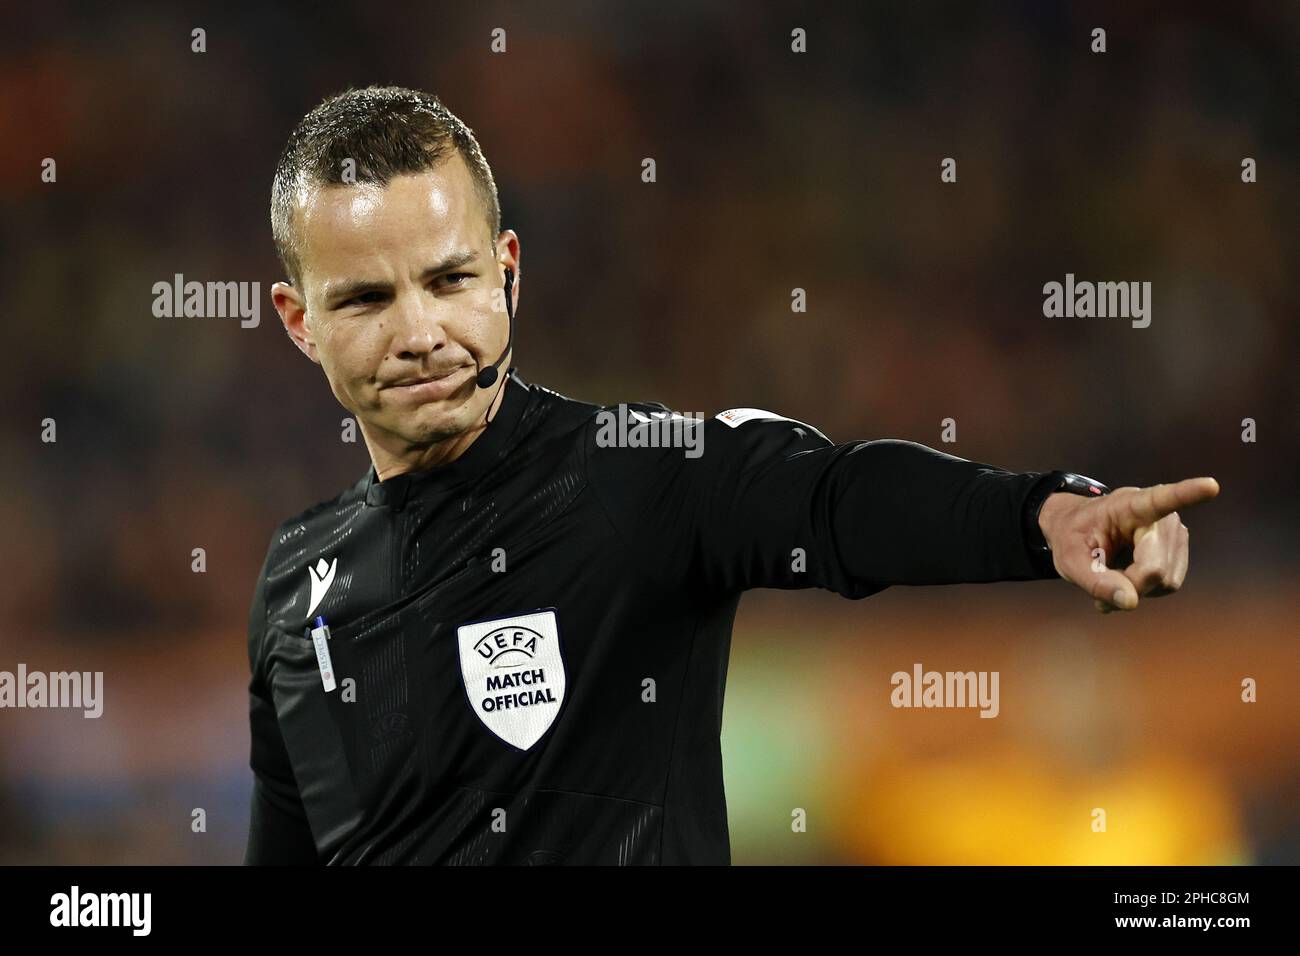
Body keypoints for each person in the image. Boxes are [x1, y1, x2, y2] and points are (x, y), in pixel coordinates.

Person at [246, 85, 1218, 864]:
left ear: (507, 270)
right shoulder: (298, 585)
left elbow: (834, 497)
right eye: (366, 299)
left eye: (449, 279)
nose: (419, 332)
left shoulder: (633, 474)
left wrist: (1041, 513)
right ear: (299, 321)